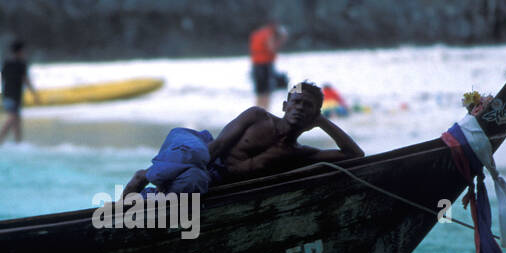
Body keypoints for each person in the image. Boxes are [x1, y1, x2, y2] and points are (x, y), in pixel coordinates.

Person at [125, 81, 364, 195]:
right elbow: (217, 146)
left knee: (186, 188)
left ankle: (152, 196)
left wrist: (322, 121)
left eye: (307, 106)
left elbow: (355, 155)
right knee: (196, 163)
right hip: (199, 153)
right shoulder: (257, 116)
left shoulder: (301, 153)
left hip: (214, 185)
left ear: (315, 114)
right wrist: (179, 174)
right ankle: (147, 176)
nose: (300, 108)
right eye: (296, 102)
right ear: (284, 106)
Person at [0, 39, 37, 146]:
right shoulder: (17, 64)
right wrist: (34, 93)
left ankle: (18, 142)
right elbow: (0, 78)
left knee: (17, 120)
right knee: (12, 118)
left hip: (15, 96)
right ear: (19, 51)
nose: (25, 53)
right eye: (24, 51)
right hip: (9, 96)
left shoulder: (12, 63)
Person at [249, 22, 288, 109]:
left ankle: (258, 111)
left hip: (256, 64)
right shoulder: (269, 34)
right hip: (265, 65)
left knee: (259, 91)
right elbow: (271, 48)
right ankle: (265, 111)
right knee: (266, 91)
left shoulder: (257, 34)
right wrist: (281, 41)